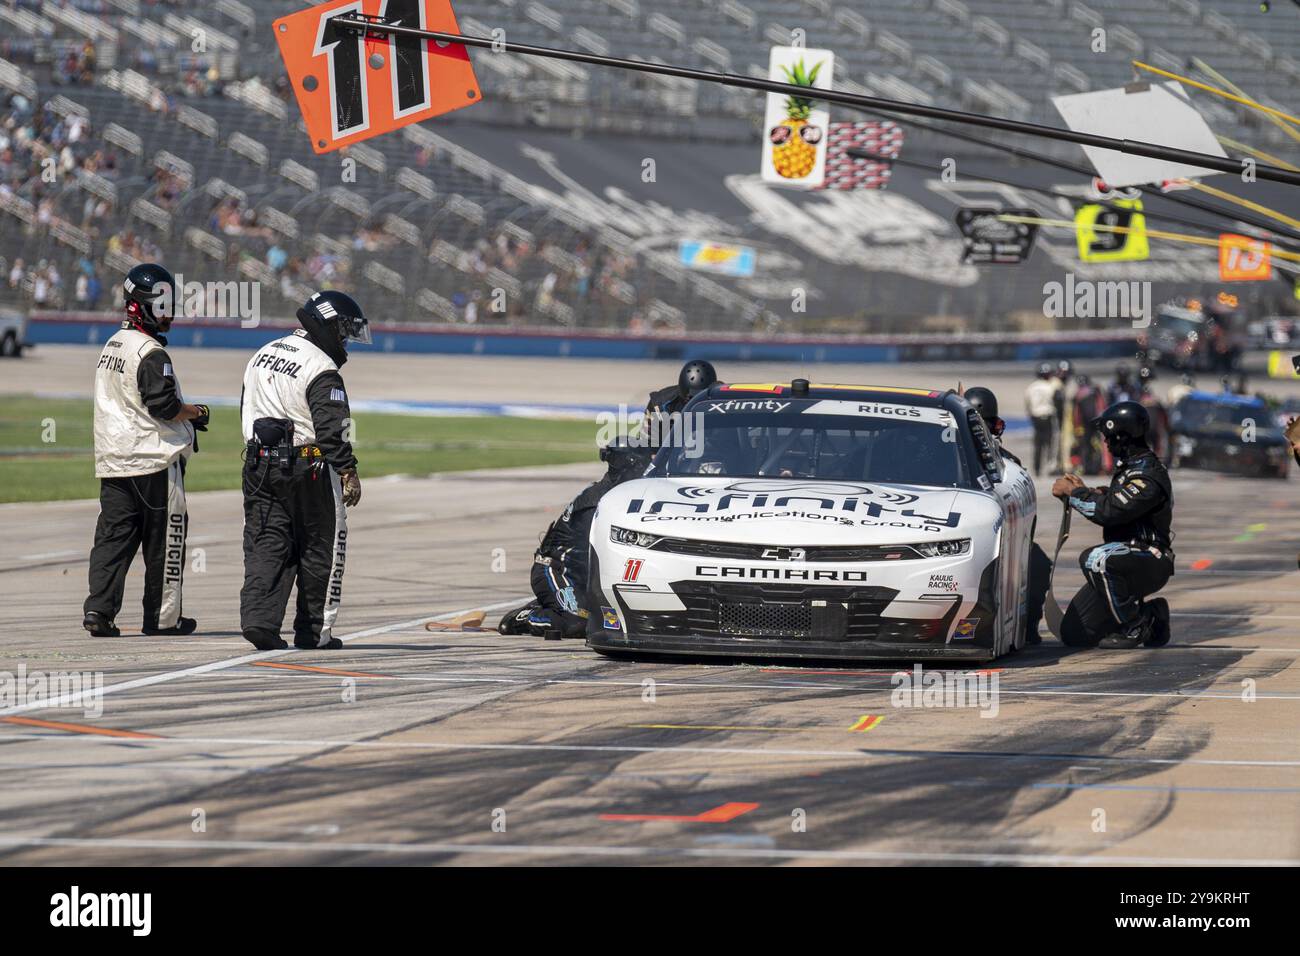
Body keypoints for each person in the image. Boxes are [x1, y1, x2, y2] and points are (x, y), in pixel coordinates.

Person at [238, 290, 369, 651]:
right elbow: (332, 430)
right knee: (320, 549)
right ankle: (315, 631)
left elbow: (244, 406)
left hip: (257, 463)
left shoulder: (263, 352)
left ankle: (259, 621)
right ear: (326, 325)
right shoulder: (321, 368)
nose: (344, 340)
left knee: (266, 544)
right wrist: (347, 471)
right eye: (343, 331)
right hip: (308, 466)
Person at [84, 263, 209, 637]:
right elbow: (165, 407)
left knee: (112, 540)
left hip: (114, 461)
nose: (167, 312)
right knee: (165, 544)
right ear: (140, 305)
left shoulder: (112, 345)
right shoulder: (152, 353)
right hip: (154, 461)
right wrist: (199, 412)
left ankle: (99, 611)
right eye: (161, 304)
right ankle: (163, 618)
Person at [499, 440, 653, 638]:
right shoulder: (599, 502)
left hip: (585, 576)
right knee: (576, 623)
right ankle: (526, 616)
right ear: (629, 466)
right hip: (557, 569)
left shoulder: (627, 496)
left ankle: (558, 603)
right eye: (642, 466)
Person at [1051, 401, 1174, 649]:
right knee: (1075, 634)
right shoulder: (1131, 468)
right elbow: (1113, 499)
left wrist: (1076, 495)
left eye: (1109, 437)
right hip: (1125, 560)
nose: (1106, 443)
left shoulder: (1148, 474)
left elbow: (1111, 511)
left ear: (1123, 437)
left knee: (1096, 559)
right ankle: (1151, 615)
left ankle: (1133, 625)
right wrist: (1086, 490)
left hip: (1149, 559)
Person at [644, 359, 718, 447]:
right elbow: (647, 445)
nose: (695, 401)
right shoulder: (660, 405)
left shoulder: (724, 402)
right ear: (683, 390)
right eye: (691, 396)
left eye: (701, 395)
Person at [1024, 362, 1057, 476]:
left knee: (1038, 444)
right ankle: (1050, 467)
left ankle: (1037, 468)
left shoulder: (1031, 387)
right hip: (1047, 416)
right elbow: (1056, 402)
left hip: (1036, 417)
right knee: (1050, 443)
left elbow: (1027, 404)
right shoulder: (1051, 386)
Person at [1055, 359, 1078, 474]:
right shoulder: (1055, 384)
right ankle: (1058, 464)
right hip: (1057, 417)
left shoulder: (1072, 385)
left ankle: (1066, 465)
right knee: (1056, 442)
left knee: (1068, 442)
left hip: (1069, 416)